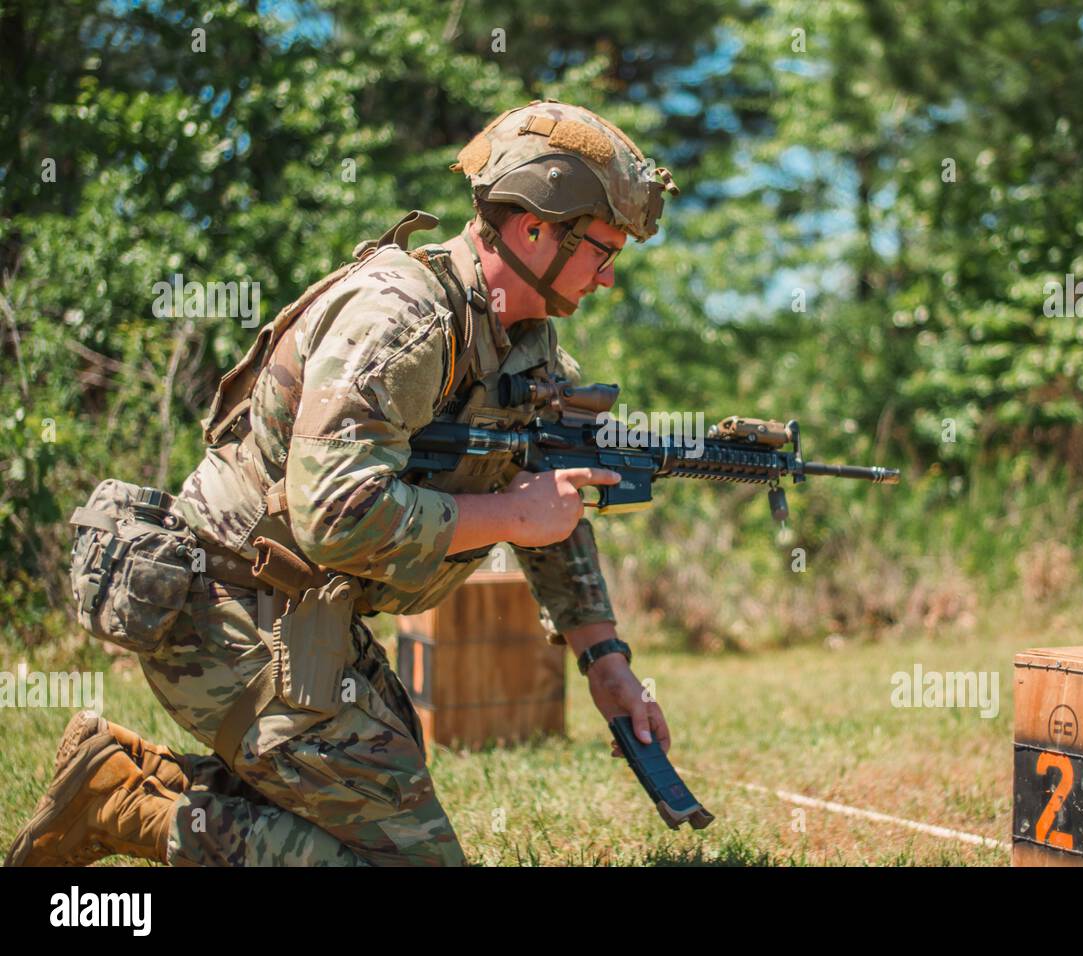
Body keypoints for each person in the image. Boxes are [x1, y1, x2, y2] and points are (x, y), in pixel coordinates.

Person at [6, 99, 678, 866]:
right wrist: (511, 515)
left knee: (372, 807)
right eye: (602, 249)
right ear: (534, 229)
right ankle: (128, 812)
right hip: (224, 608)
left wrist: (606, 661)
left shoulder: (524, 345)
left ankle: (124, 780)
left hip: (303, 615)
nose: (609, 277)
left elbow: (550, 496)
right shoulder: (401, 321)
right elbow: (337, 514)